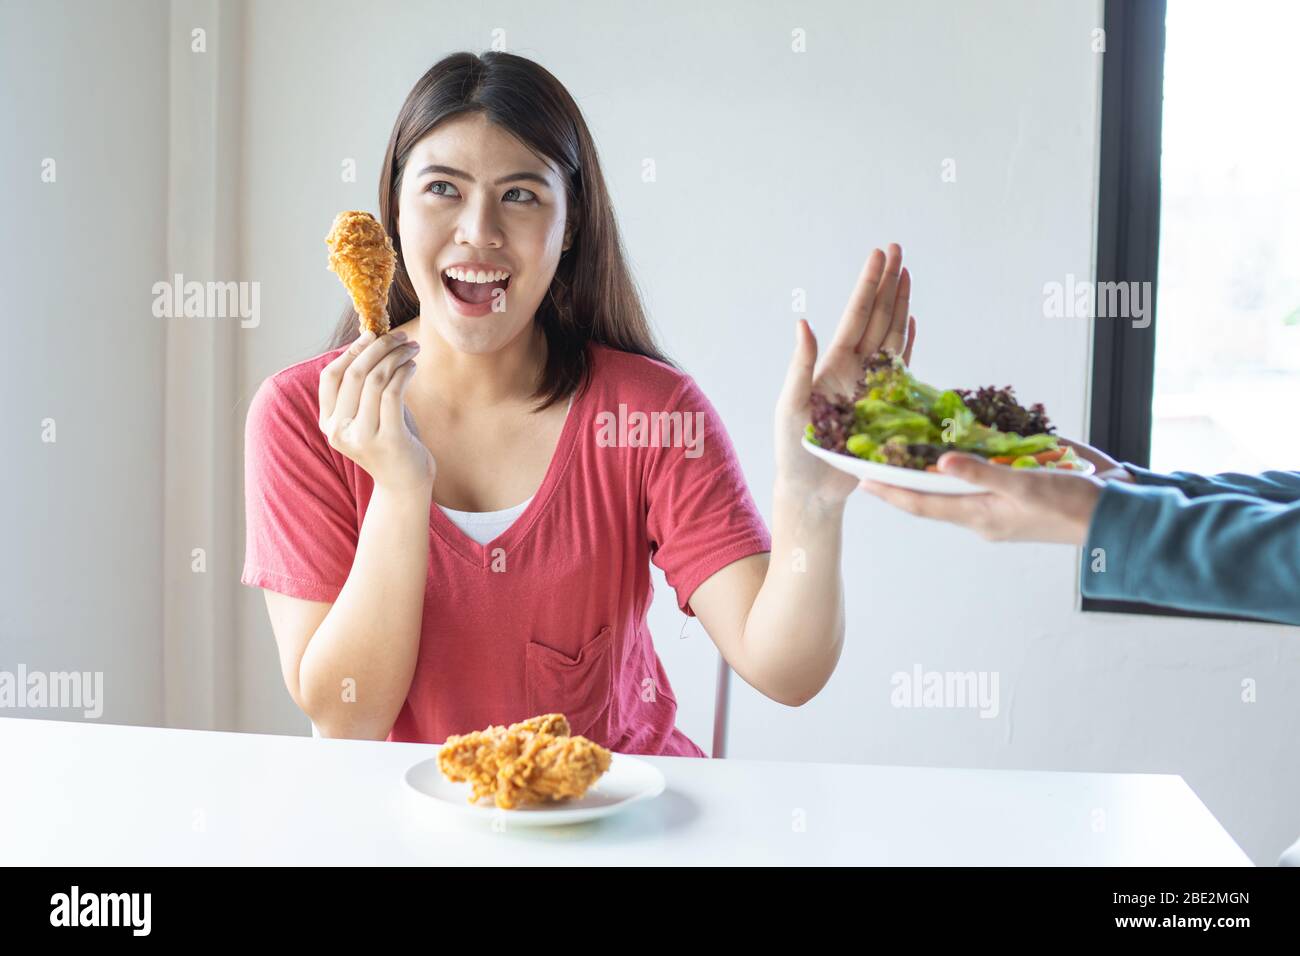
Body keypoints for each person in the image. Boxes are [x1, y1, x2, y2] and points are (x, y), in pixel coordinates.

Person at [241, 50, 918, 755]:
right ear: (394, 210)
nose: (479, 230)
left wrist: (813, 500)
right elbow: (345, 716)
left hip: (627, 823)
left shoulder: (651, 414)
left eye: (522, 194)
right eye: (443, 188)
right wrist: (401, 486)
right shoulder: (299, 415)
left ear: (569, 230)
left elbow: (785, 670)